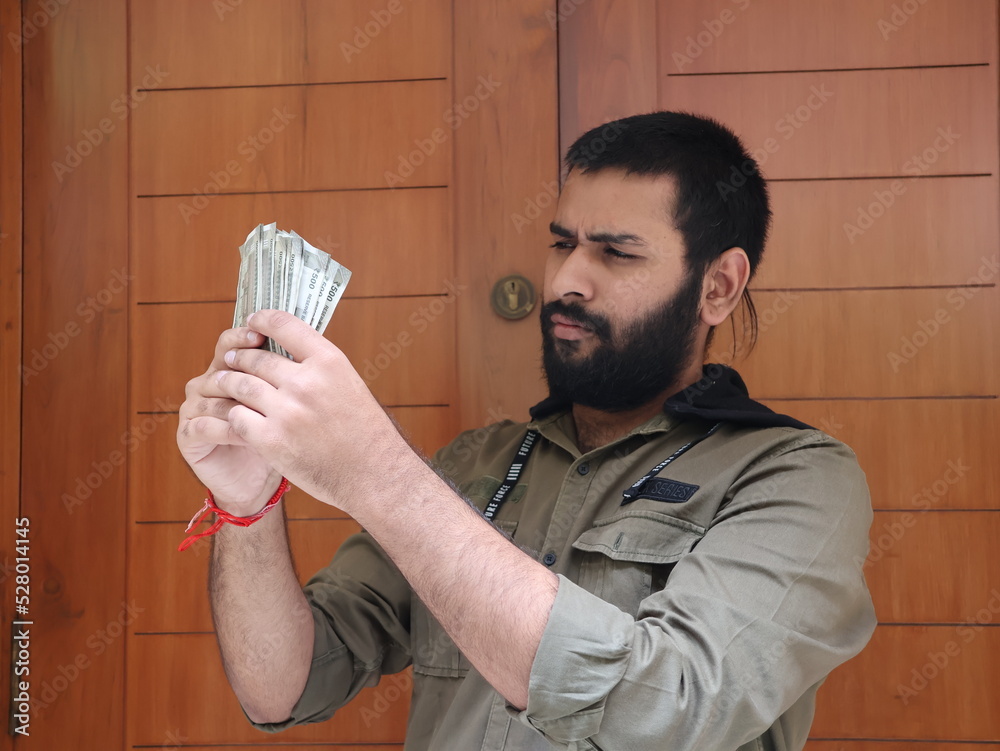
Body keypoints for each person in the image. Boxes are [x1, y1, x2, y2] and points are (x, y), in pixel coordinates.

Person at [177, 111, 876, 751]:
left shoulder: (798, 479)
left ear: (718, 286)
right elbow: (284, 686)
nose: (568, 279)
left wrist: (375, 473)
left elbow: (661, 713)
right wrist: (247, 506)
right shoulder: (472, 463)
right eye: (562, 242)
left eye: (616, 253)